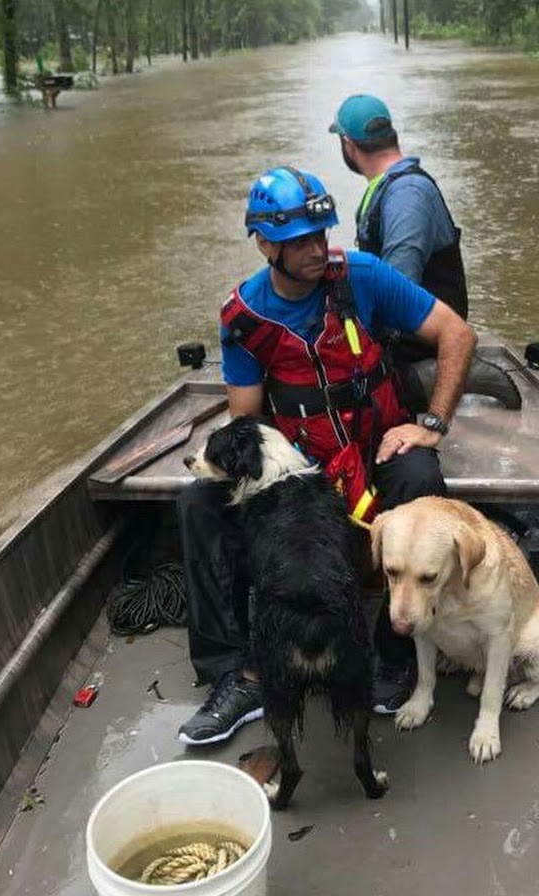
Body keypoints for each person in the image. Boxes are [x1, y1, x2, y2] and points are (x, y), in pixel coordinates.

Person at [176, 165, 476, 745]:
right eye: (299, 241)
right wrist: (277, 484)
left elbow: (455, 334)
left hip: (375, 445)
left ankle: (392, 659)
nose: (317, 250)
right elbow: (246, 419)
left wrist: (432, 425)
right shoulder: (243, 317)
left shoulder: (361, 276)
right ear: (265, 244)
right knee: (197, 506)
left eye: (321, 235)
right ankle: (235, 675)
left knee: (420, 476)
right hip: (305, 468)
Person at [329, 93, 469, 361]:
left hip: (418, 350)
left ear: (348, 145)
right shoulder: (387, 186)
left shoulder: (408, 194)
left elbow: (399, 289)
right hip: (404, 339)